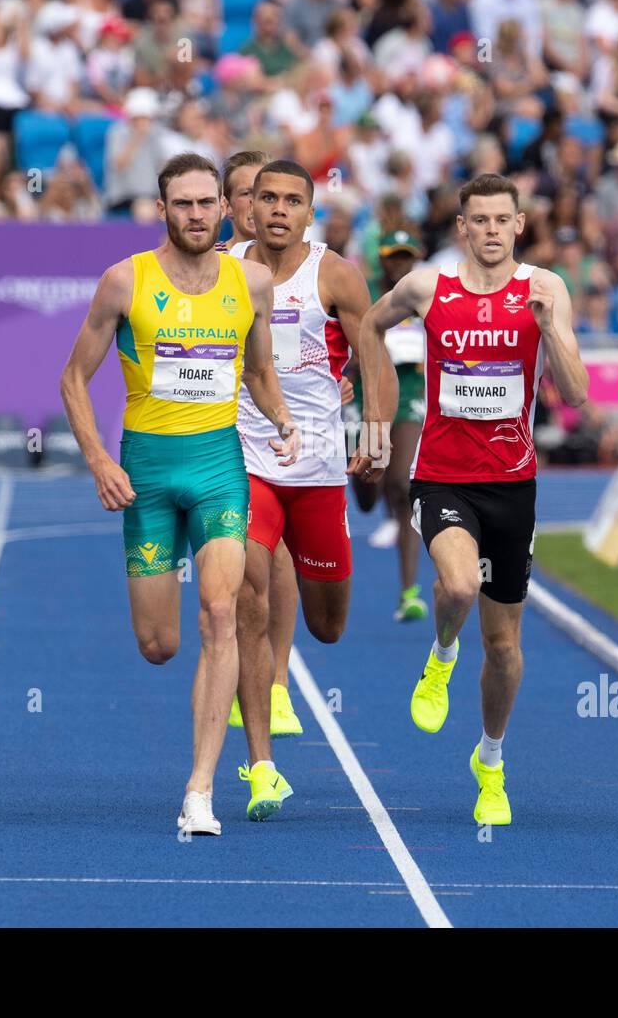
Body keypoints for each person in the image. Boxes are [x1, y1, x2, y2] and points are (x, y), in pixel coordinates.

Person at [59, 153, 300, 835]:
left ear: (227, 207)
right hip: (147, 474)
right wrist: (99, 458)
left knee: (221, 613)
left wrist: (282, 420)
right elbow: (73, 379)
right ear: (162, 209)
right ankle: (201, 744)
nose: (195, 215)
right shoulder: (123, 281)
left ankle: (201, 790)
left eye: (205, 203)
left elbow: (257, 371)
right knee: (160, 642)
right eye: (181, 204)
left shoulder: (251, 282)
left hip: (220, 465)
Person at [359, 173, 590, 826]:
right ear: (461, 227)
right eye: (478, 219)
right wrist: (375, 418)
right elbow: (368, 330)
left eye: (501, 219)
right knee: (457, 587)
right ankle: (440, 656)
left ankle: (489, 761)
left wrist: (550, 330)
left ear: (519, 225)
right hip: (442, 474)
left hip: (512, 483)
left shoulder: (545, 289)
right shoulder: (426, 287)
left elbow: (575, 395)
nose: (490, 229)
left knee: (507, 647)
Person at [228, 159, 389, 819]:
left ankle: (281, 685)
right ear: (251, 205)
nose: (278, 209)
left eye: (293, 200)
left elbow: (374, 354)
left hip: (319, 469)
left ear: (309, 211)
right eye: (267, 197)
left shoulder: (336, 274)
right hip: (246, 460)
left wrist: (375, 430)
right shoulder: (224, 269)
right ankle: (261, 765)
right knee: (246, 589)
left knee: (328, 625)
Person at [216, 149, 307, 740]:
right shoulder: (213, 264)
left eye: (269, 194)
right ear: (230, 205)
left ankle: (275, 681)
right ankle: (250, 672)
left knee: (275, 557)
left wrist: (344, 371)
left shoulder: (306, 267)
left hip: (287, 430)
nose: (260, 206)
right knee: (241, 569)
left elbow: (342, 333)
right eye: (248, 194)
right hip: (220, 430)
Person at [346, 229, 430, 621]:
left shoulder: (427, 300)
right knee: (366, 494)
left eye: (406, 256)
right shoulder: (364, 298)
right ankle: (362, 480)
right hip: (368, 393)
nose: (400, 264)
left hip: (410, 389)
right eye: (393, 257)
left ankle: (409, 591)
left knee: (402, 485)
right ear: (381, 259)